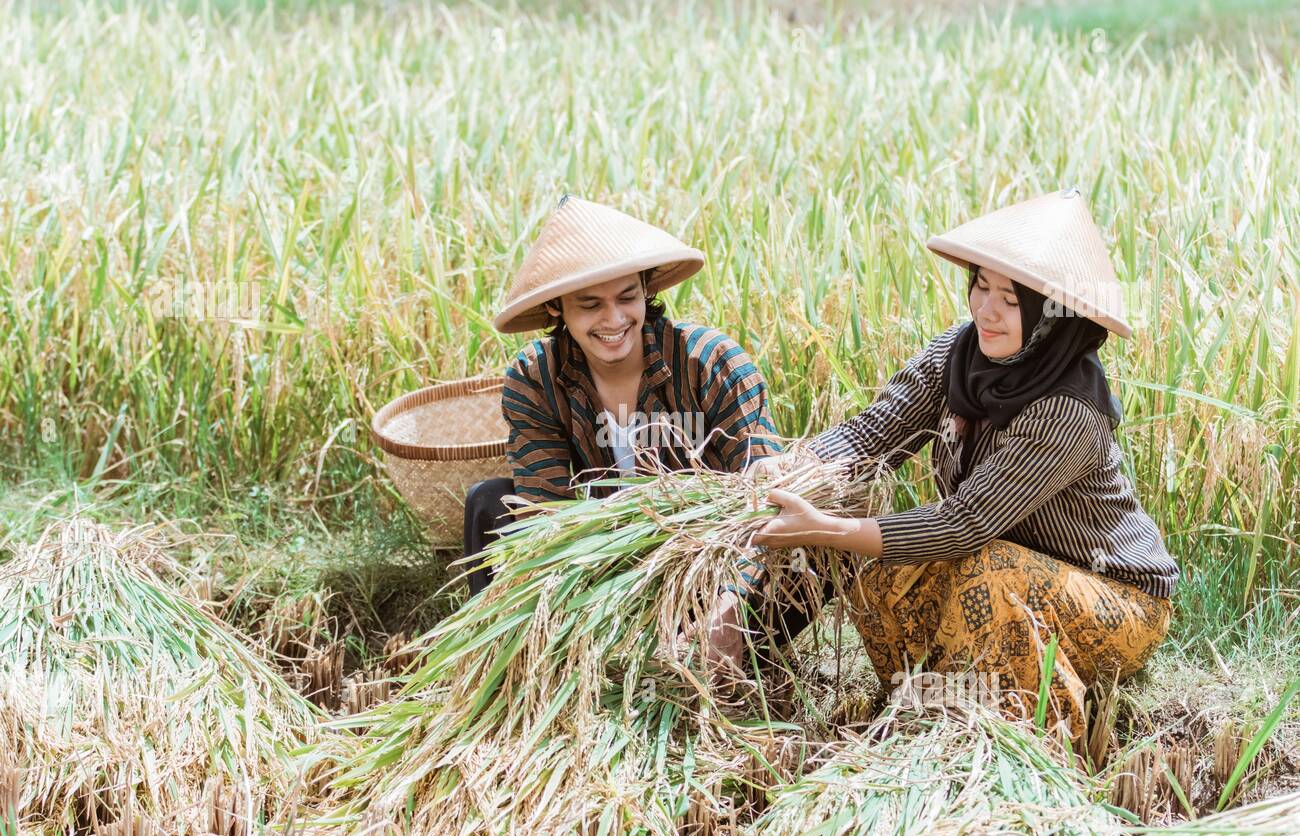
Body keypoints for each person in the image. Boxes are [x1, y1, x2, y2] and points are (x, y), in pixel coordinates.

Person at [706, 187, 1179, 749]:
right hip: (1001, 573)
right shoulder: (959, 354)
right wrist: (793, 470)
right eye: (981, 285)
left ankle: (1018, 738)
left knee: (990, 567)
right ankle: (919, 712)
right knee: (875, 571)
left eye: (1011, 298)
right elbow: (871, 437)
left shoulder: (1068, 408)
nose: (986, 309)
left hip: (1115, 601)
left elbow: (967, 523)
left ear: (1052, 315)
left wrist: (832, 529)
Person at [463, 195, 783, 595]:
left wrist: (730, 596)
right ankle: (515, 651)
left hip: (706, 554)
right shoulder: (536, 377)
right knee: (490, 501)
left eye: (627, 298)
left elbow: (763, 483)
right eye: (591, 304)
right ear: (556, 307)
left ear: (646, 288)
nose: (614, 320)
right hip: (594, 558)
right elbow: (544, 510)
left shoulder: (709, 362)